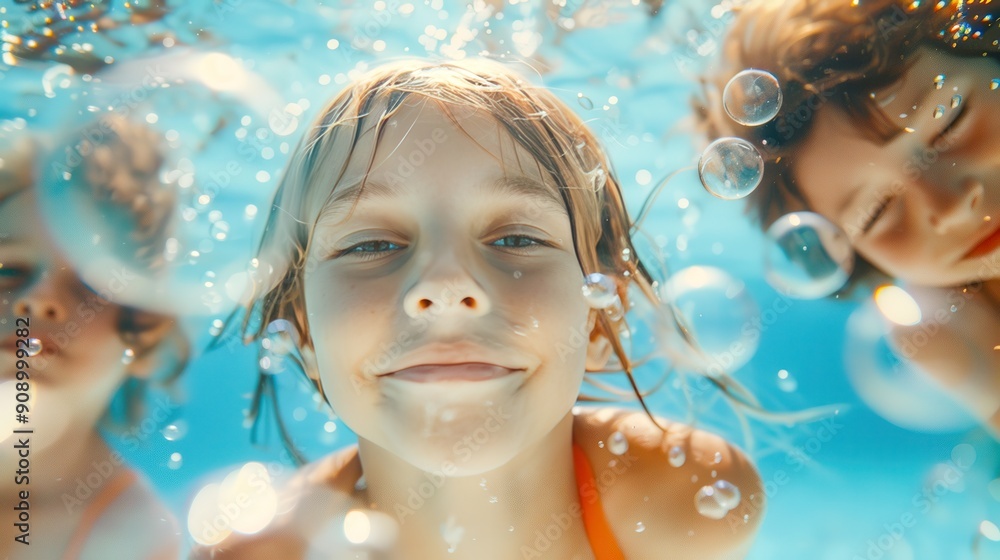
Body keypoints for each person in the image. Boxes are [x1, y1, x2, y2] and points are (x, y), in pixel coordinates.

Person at [193, 58, 764, 559]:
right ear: (301, 330)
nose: (444, 286)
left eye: (516, 238)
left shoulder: (681, 501)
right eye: (370, 245)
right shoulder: (265, 552)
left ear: (600, 312)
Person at [696, 0, 1000, 434]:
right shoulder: (949, 341)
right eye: (876, 212)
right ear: (858, 258)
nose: (948, 208)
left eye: (950, 122)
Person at [0, 117, 188, 559]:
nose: (37, 302)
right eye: (8, 272)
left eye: (90, 284)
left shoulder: (132, 533)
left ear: (144, 331)